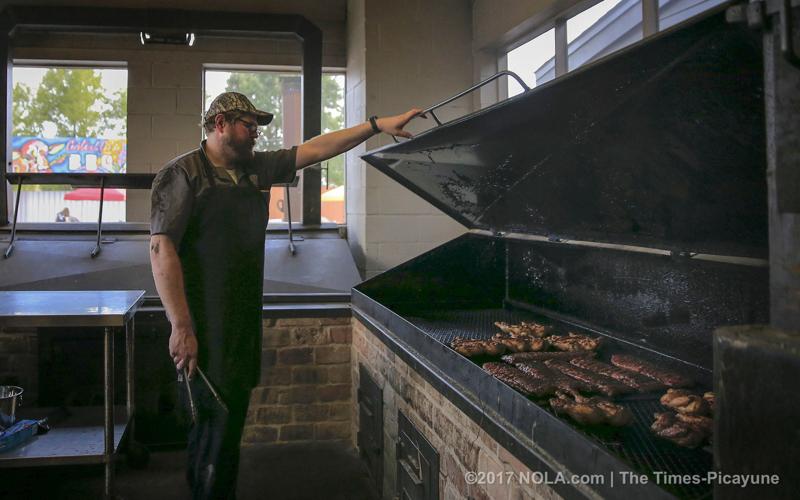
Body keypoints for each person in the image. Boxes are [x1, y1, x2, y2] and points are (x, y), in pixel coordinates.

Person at [149, 91, 422, 499]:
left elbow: (316, 148)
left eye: (257, 126)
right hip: (204, 325)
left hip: (241, 320)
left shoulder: (254, 169)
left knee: (229, 429)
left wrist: (376, 125)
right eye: (248, 124)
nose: (255, 132)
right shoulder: (184, 174)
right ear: (220, 124)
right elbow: (161, 248)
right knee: (211, 431)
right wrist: (181, 325)